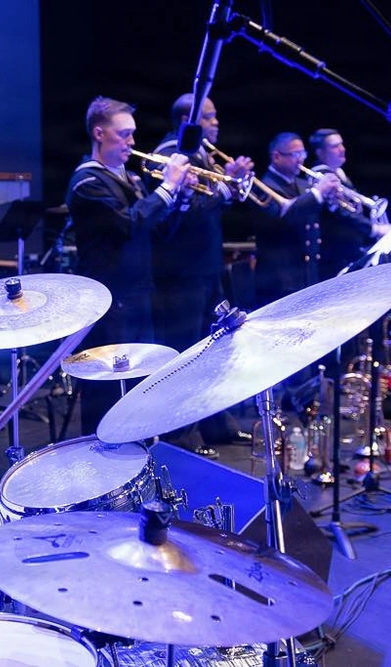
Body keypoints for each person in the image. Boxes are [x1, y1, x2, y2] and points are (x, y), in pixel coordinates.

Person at [65, 95, 190, 437]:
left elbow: (160, 231)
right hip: (111, 300)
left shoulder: (129, 179)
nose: (133, 143)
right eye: (124, 135)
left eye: (133, 134)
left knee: (139, 384)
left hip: (138, 293)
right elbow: (129, 224)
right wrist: (167, 187)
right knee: (108, 392)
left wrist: (181, 196)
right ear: (100, 134)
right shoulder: (87, 183)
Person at [147, 93, 255, 455]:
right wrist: (226, 186)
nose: (216, 123)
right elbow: (185, 215)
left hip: (206, 267)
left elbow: (209, 206)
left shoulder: (201, 155)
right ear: (187, 122)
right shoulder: (171, 155)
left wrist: (231, 186)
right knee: (187, 352)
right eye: (209, 118)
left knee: (217, 348)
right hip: (181, 273)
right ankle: (180, 437)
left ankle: (216, 425)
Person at [254, 131, 342, 306]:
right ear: (277, 157)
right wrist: (319, 192)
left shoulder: (302, 184)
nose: (301, 160)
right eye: (295, 154)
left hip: (308, 275)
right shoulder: (263, 186)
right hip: (280, 280)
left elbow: (314, 218)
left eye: (303, 154)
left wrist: (332, 200)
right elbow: (286, 216)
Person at [307, 128, 389, 280]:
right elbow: (341, 212)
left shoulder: (338, 173)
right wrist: (373, 228)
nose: (342, 149)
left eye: (342, 144)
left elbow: (352, 207)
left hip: (350, 251)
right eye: (334, 146)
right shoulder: (321, 176)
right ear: (319, 152)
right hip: (334, 256)